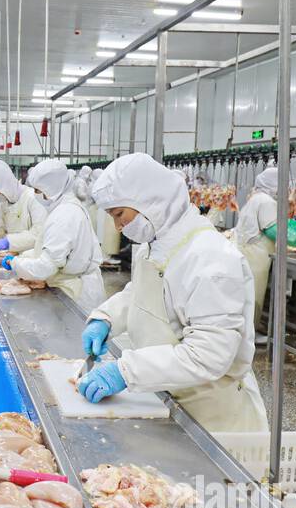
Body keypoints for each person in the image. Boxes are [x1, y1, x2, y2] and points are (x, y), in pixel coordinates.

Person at [78, 153, 268, 434]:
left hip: (212, 419)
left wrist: (126, 370)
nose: (118, 227)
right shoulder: (154, 241)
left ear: (148, 201)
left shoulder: (210, 258)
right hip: (166, 394)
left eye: (119, 214)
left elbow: (208, 355)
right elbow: (139, 294)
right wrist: (106, 318)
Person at [3, 159, 105, 311]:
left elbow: (46, 266)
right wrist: (24, 256)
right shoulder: (65, 207)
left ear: (49, 189)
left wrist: (16, 263)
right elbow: (49, 248)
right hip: (74, 283)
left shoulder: (63, 215)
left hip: (78, 293)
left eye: (38, 190)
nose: (35, 194)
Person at [232, 166, 296, 329]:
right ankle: (250, 336)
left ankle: (248, 331)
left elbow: (273, 223)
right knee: (252, 298)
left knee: (245, 300)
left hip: (247, 254)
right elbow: (277, 232)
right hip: (255, 259)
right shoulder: (266, 202)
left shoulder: (256, 198)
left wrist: (294, 224)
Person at [0, 160, 47, 254]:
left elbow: (38, 234)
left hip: (32, 257)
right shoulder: (3, 201)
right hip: (13, 256)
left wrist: (8, 242)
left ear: (5, 186)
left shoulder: (32, 198)